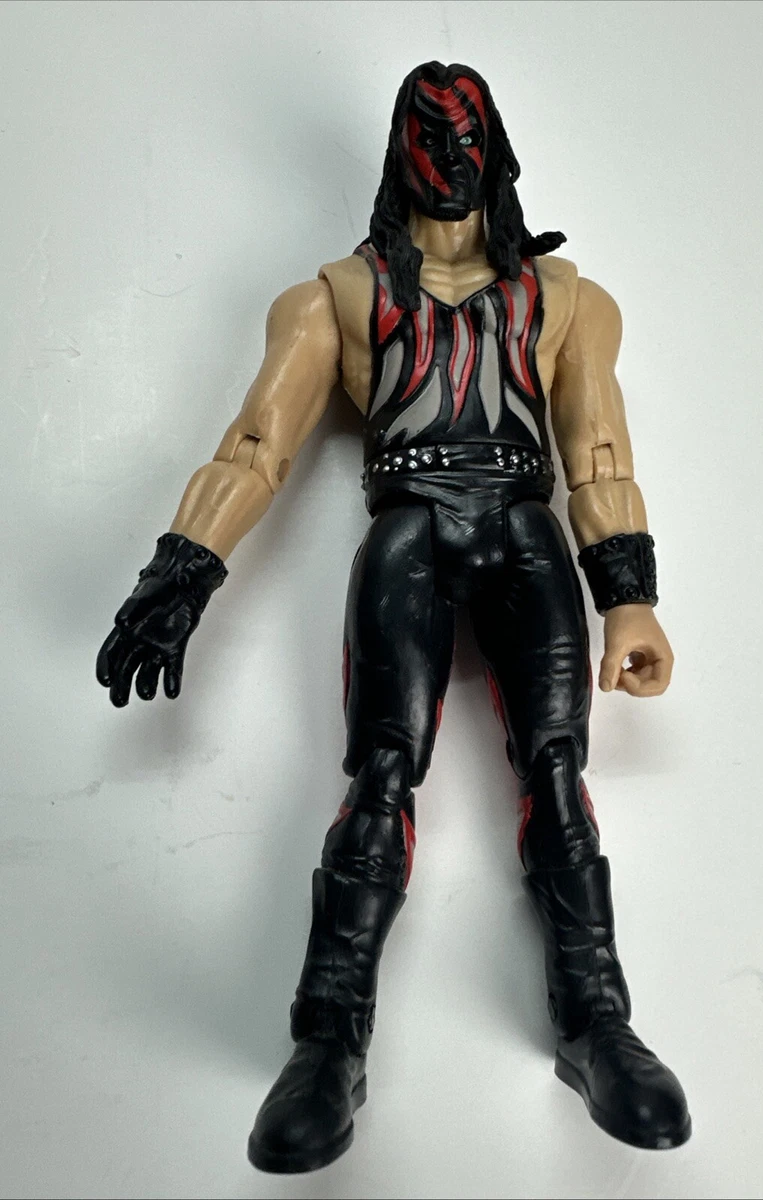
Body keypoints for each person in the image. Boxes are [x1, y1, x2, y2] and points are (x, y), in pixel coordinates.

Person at [97, 61, 690, 1174]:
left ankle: (598, 1023)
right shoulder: (336, 297)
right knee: (379, 771)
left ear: (496, 147)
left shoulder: (565, 300)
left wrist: (631, 599)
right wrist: (178, 578)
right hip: (408, 528)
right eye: (434, 135)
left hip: (524, 526)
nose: (453, 157)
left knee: (556, 768)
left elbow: (598, 450)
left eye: (469, 137)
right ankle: (327, 1042)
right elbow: (257, 446)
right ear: (401, 149)